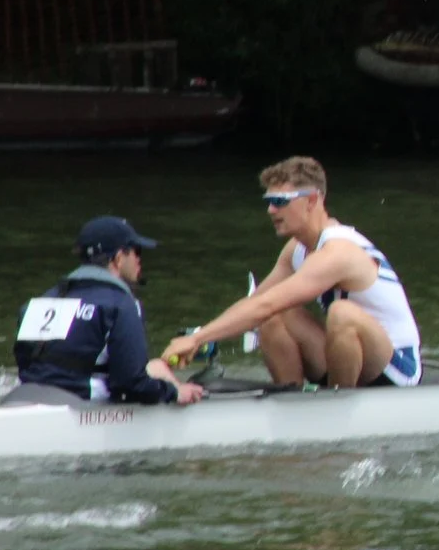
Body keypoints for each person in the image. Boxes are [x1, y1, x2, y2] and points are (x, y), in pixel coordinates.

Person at [160, 157, 424, 387]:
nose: (270, 210)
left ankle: (339, 406)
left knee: (341, 314)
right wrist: (204, 336)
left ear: (311, 201)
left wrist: (197, 339)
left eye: (279, 201)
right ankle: (291, 399)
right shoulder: (296, 249)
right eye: (268, 201)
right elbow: (257, 305)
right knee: (273, 315)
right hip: (347, 358)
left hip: (395, 367)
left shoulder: (339, 252)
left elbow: (266, 304)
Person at [8, 217, 205, 407]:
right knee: (155, 372)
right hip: (84, 407)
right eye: (136, 251)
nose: (139, 260)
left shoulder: (39, 302)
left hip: (24, 397)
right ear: (119, 258)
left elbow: (27, 366)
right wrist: (174, 392)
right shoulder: (121, 304)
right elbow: (131, 384)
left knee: (154, 367)